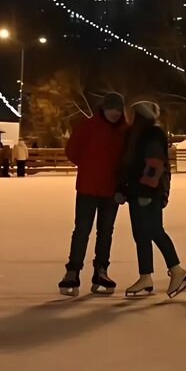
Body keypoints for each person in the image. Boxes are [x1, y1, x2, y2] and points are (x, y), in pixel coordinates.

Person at [119, 101, 186, 298]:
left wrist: (146, 189)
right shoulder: (135, 136)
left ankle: (176, 269)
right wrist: (125, 188)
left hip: (148, 192)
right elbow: (130, 166)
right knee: (140, 234)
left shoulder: (150, 135)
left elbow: (155, 165)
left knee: (153, 230)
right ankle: (145, 276)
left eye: (133, 114)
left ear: (140, 116)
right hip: (136, 191)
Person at [58, 92, 128, 297]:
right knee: (82, 230)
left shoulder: (124, 130)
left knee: (106, 232)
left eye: (118, 110)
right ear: (104, 109)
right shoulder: (88, 126)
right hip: (88, 188)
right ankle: (73, 270)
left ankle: (101, 270)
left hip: (111, 191)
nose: (114, 113)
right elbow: (72, 151)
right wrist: (89, 166)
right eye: (111, 109)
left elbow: (127, 159)